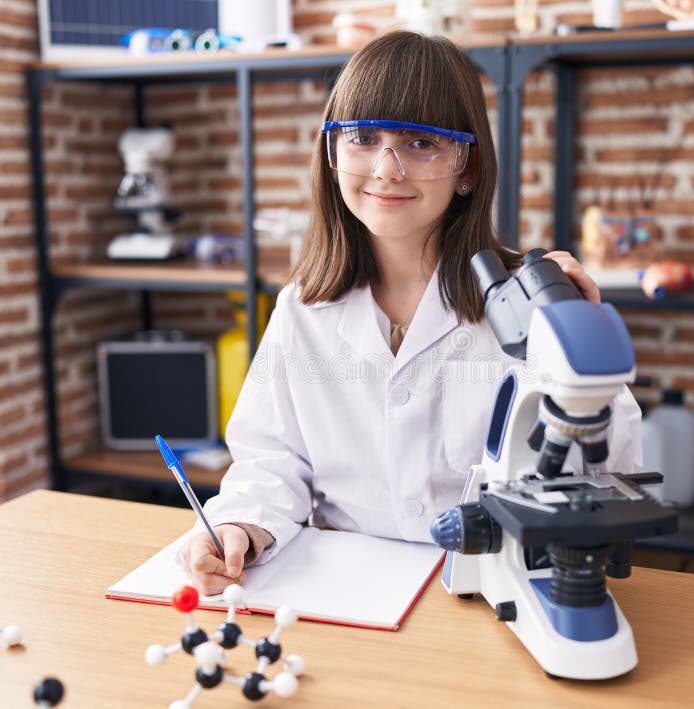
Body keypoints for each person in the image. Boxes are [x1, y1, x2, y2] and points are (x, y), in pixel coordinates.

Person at [182, 31, 641, 595]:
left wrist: (584, 350)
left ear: (467, 166)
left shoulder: (529, 302)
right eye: (363, 137)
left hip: (490, 585)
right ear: (332, 155)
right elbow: (272, 460)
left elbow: (607, 470)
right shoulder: (305, 306)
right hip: (343, 588)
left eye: (422, 142)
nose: (387, 167)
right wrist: (238, 526)